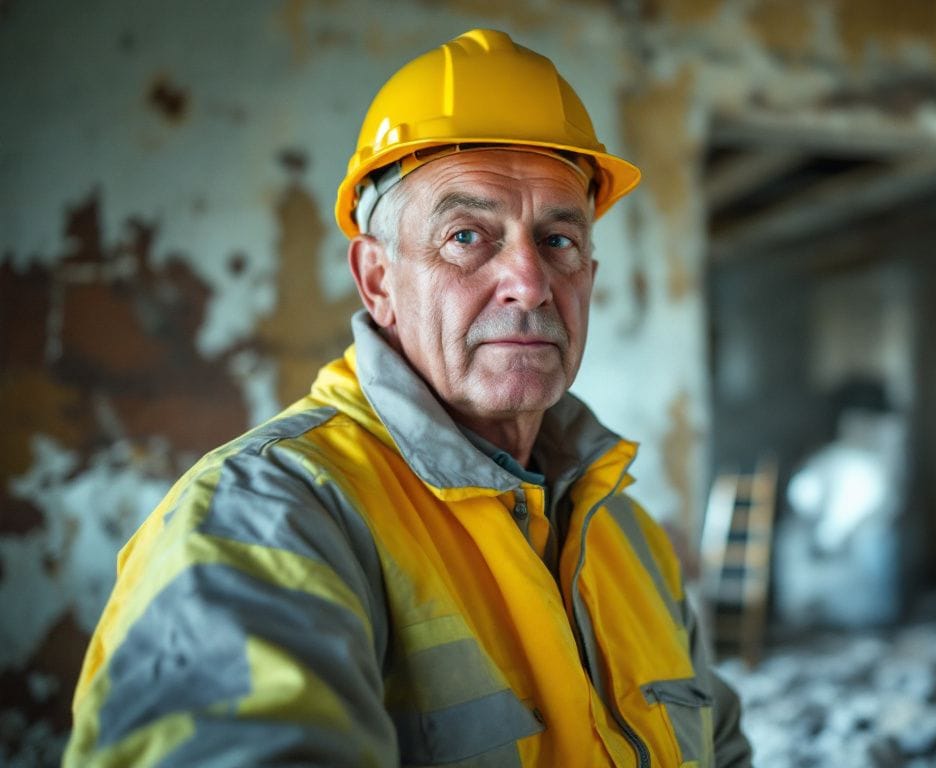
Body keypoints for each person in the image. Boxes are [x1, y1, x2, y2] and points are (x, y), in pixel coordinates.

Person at [66, 28, 751, 767]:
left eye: (559, 240)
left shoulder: (626, 534)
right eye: (467, 236)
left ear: (588, 272)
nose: (529, 283)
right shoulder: (262, 519)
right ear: (378, 280)